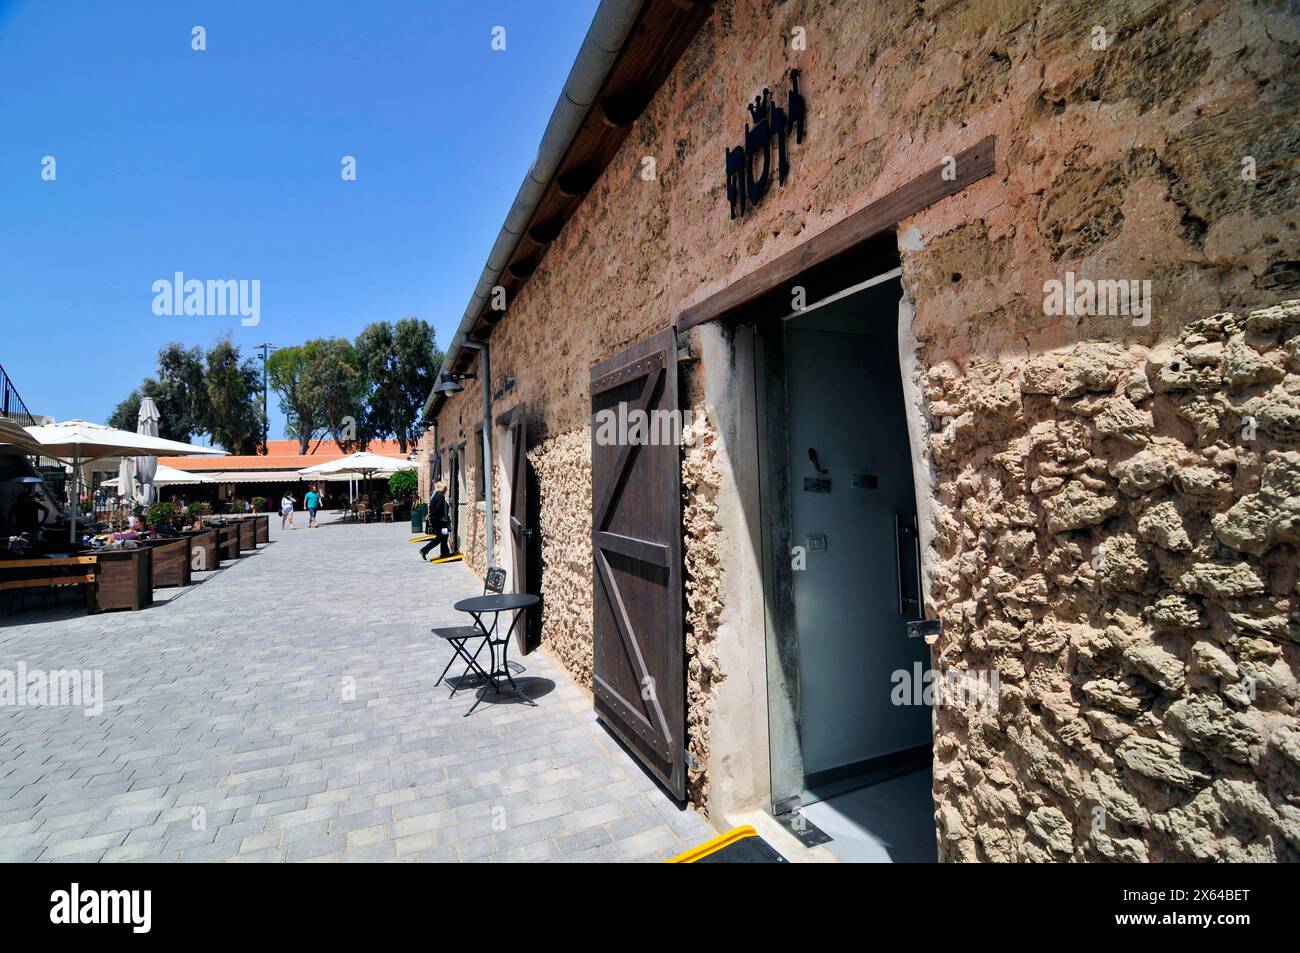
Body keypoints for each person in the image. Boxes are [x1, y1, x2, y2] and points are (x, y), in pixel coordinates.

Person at [419, 483, 451, 561]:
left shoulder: (436, 496)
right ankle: (424, 550)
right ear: (442, 489)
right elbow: (438, 509)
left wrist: (430, 515)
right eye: (445, 488)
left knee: (444, 537)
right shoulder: (439, 497)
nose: (446, 490)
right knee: (440, 537)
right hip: (439, 521)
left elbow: (433, 508)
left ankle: (445, 553)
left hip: (437, 520)